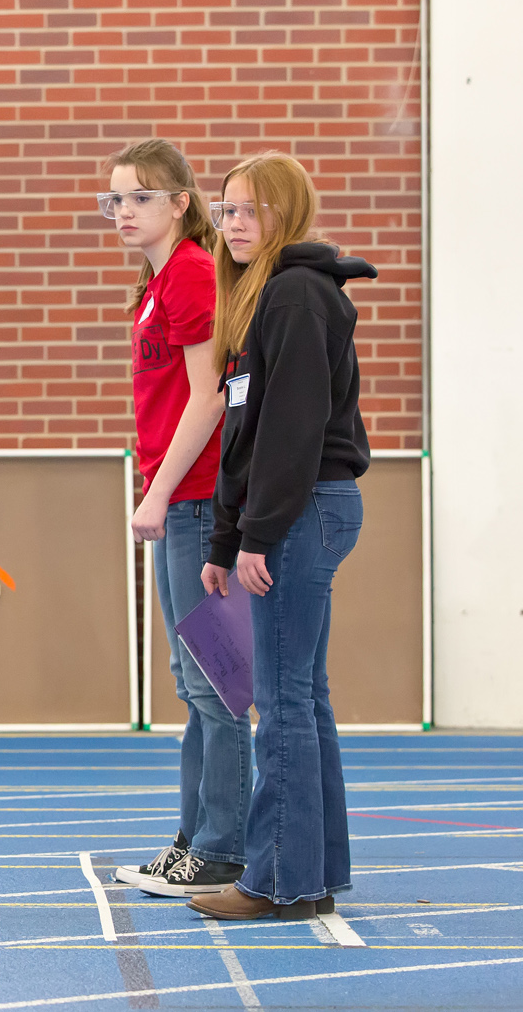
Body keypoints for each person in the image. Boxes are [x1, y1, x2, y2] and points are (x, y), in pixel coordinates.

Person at [188, 151, 373, 921]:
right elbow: (245, 430)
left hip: (303, 508)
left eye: (250, 211)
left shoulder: (296, 295)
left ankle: (278, 881)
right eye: (227, 209)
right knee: (304, 698)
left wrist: (257, 535)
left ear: (286, 216)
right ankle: (311, 872)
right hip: (294, 509)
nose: (233, 224)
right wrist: (229, 539)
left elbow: (290, 432)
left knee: (283, 702)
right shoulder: (268, 294)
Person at [98, 139, 251, 897]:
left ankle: (222, 847)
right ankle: (195, 836)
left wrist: (158, 491)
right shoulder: (158, 283)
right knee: (193, 683)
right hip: (176, 494)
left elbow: (211, 393)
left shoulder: (191, 273)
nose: (122, 212)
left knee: (218, 684)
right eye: (114, 200)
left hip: (194, 499)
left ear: (179, 203)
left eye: (138, 198)